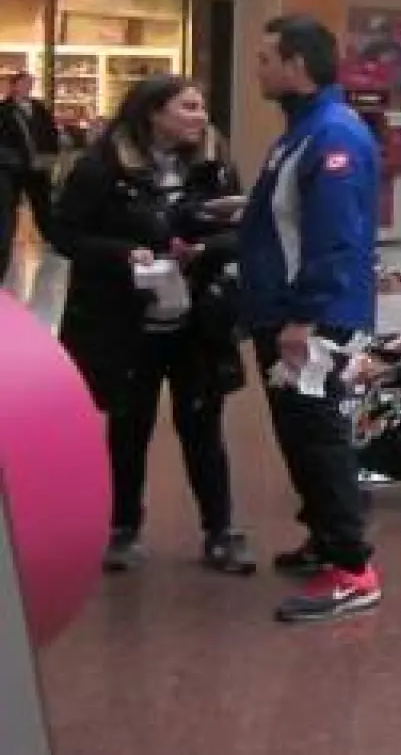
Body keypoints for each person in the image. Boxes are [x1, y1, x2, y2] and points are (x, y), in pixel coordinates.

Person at [53, 75, 253, 576]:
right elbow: (65, 232)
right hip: (127, 322)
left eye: (202, 106)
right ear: (153, 113)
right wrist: (126, 254)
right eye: (188, 106)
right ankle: (123, 528)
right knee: (128, 425)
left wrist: (205, 247)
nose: (200, 116)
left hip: (197, 319)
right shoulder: (101, 168)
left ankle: (220, 531)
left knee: (202, 424)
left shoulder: (213, 166)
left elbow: (244, 231)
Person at [238, 14, 381, 624]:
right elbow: (290, 219)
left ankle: (352, 569)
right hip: (284, 313)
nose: (257, 68)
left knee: (318, 438)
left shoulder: (333, 135)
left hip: (313, 320)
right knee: (299, 435)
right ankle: (326, 538)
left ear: (297, 66)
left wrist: (304, 318)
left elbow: (336, 241)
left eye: (267, 58)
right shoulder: (302, 132)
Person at [0, 71, 59, 282]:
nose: (28, 87)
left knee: (43, 203)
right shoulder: (4, 110)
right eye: (24, 83)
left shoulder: (40, 108)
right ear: (14, 86)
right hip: (13, 170)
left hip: (39, 166)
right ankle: (6, 243)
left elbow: (51, 132)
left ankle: (51, 238)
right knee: (9, 207)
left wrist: (51, 156)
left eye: (30, 83)